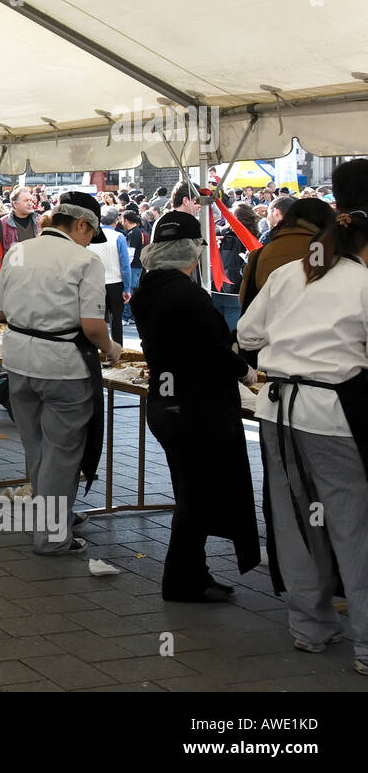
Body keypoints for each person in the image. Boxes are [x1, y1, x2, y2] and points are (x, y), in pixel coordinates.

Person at [236, 159, 368, 676]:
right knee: (353, 526)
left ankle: (309, 628)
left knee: (295, 520)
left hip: (278, 411)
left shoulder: (289, 271)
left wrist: (291, 345)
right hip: (333, 414)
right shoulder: (362, 282)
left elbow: (246, 336)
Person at [130, 211, 260, 601]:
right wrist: (246, 373)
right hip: (194, 407)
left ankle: (194, 573)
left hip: (166, 404)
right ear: (192, 251)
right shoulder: (187, 293)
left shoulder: (147, 289)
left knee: (190, 491)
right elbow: (212, 349)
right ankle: (182, 581)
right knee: (196, 499)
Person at [0, 192, 121, 556]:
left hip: (18, 361)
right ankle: (51, 535)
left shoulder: (18, 250)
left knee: (36, 446)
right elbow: (94, 326)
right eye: (89, 233)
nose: (88, 241)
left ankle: (49, 515)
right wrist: (111, 350)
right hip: (63, 367)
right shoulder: (84, 260)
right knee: (62, 452)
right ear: (81, 224)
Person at [238, 198, 335, 312]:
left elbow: (244, 299)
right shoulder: (333, 252)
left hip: (272, 325)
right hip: (323, 322)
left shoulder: (259, 255)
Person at [87, 208, 132, 344]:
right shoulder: (119, 237)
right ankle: (117, 349)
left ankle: (99, 348)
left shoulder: (90, 236)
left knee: (96, 318)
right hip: (115, 282)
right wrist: (127, 287)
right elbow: (125, 265)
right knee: (116, 319)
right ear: (116, 220)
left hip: (94, 283)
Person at [218, 202, 261, 292]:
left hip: (232, 285)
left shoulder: (230, 236)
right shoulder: (257, 235)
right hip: (247, 285)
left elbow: (228, 265)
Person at [119, 208, 147, 322]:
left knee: (128, 290)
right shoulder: (138, 231)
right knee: (132, 290)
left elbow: (130, 253)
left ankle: (126, 317)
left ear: (126, 220)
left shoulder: (133, 233)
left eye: (122, 219)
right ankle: (130, 316)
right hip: (137, 265)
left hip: (133, 266)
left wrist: (124, 266)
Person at [0, 185, 40, 253]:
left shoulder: (40, 220)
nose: (30, 203)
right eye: (26, 201)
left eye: (30, 200)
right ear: (15, 204)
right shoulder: (3, 223)